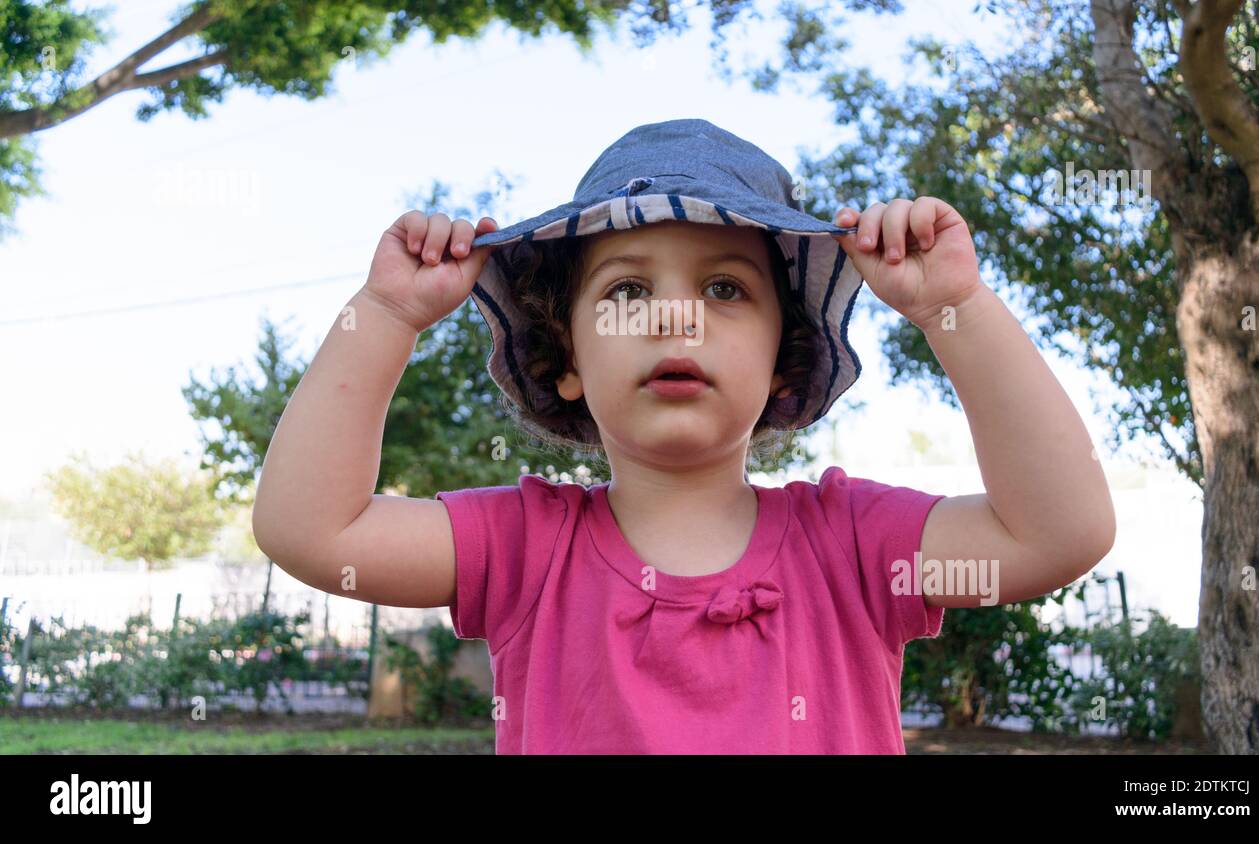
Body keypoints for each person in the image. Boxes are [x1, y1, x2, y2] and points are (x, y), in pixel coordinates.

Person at [252, 118, 1116, 754]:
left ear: (786, 361)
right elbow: (311, 529)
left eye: (727, 290)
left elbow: (1059, 531)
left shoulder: (855, 545)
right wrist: (388, 314)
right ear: (566, 361)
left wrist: (953, 309)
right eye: (628, 292)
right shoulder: (525, 548)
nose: (675, 318)